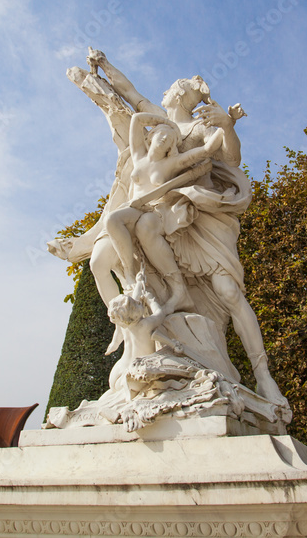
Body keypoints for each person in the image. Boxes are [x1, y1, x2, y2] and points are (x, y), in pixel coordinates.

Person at [61, 49, 289, 411]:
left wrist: (227, 126)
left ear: (181, 95)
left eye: (170, 90)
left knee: (229, 292)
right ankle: (146, 320)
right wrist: (102, 66)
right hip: (163, 215)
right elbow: (129, 92)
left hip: (201, 214)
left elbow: (230, 159)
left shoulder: (201, 126)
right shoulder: (160, 123)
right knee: (116, 251)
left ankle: (264, 379)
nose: (164, 93)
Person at [104, 112, 224, 317]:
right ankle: (131, 275)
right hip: (134, 208)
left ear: (171, 148)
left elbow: (207, 149)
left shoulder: (173, 164)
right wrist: (167, 123)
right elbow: (137, 120)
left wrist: (226, 124)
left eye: (169, 139)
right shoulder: (139, 155)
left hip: (157, 210)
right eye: (161, 135)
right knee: (112, 220)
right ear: (151, 137)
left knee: (145, 227)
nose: (164, 139)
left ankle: (178, 289)